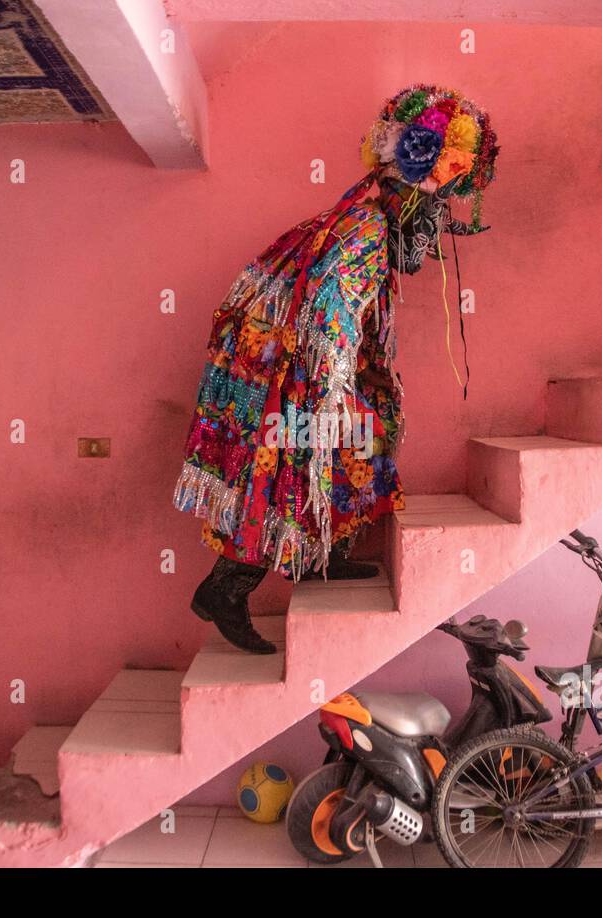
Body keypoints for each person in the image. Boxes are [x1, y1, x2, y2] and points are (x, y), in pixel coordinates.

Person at [174, 84, 500, 654]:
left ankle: (321, 555)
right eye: (428, 232)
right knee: (288, 466)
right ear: (410, 207)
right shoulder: (368, 233)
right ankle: (225, 588)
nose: (427, 250)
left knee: (370, 437)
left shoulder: (367, 221)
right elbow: (326, 309)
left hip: (318, 364)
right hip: (301, 372)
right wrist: (331, 387)